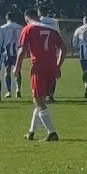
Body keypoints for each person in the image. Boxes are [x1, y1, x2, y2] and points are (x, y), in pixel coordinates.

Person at [13, 8, 65, 141]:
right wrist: (58, 66)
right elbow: (63, 48)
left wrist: (17, 67)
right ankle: (31, 132)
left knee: (39, 101)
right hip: (51, 67)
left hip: (39, 67)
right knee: (38, 99)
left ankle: (52, 132)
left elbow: (22, 50)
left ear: (26, 18)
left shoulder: (28, 28)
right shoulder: (51, 29)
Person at [37, 7, 59, 101]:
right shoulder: (54, 22)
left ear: (39, 13)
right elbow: (58, 35)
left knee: (41, 74)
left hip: (40, 51)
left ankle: (42, 94)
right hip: (52, 50)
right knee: (52, 74)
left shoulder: (37, 22)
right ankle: (51, 94)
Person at [1, 11, 24, 98]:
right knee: (18, 70)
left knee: (7, 71)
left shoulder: (3, 27)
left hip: (7, 52)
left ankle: (9, 91)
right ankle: (18, 88)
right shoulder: (20, 27)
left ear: (6, 18)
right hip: (17, 52)